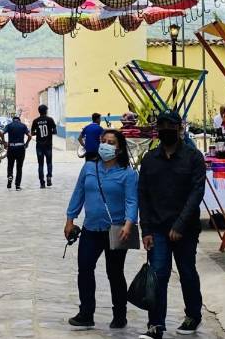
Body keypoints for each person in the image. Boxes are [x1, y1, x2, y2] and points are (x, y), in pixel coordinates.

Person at [138, 113, 207, 339]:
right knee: (158, 275)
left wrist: (179, 225)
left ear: (179, 128)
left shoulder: (193, 158)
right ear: (157, 129)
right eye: (162, 126)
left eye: (171, 126)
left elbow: (196, 193)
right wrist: (145, 230)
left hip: (185, 229)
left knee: (187, 272)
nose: (166, 129)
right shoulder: (149, 160)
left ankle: (193, 314)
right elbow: (143, 196)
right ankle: (155, 325)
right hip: (157, 229)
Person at [65, 130, 138, 330]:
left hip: (116, 231)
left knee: (115, 273)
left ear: (119, 148)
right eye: (103, 141)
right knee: (85, 269)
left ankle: (120, 314)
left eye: (111, 142)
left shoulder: (128, 174)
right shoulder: (89, 168)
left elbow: (132, 201)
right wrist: (70, 219)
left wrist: (129, 224)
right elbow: (78, 194)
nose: (106, 145)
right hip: (90, 229)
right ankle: (86, 313)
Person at [31, 104, 56, 188]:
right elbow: (55, 131)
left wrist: (37, 133)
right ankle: (49, 176)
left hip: (39, 146)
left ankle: (42, 182)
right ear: (45, 111)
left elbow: (32, 133)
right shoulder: (50, 120)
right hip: (48, 145)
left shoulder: (35, 121)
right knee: (49, 162)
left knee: (40, 164)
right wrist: (49, 132)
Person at [3, 113, 31, 190]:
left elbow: (2, 133)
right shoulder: (23, 126)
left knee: (10, 165)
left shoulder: (9, 125)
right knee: (19, 167)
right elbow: (30, 136)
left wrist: (4, 142)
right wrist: (26, 144)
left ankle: (10, 177)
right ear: (19, 120)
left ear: (13, 120)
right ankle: (17, 186)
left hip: (11, 147)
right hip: (20, 148)